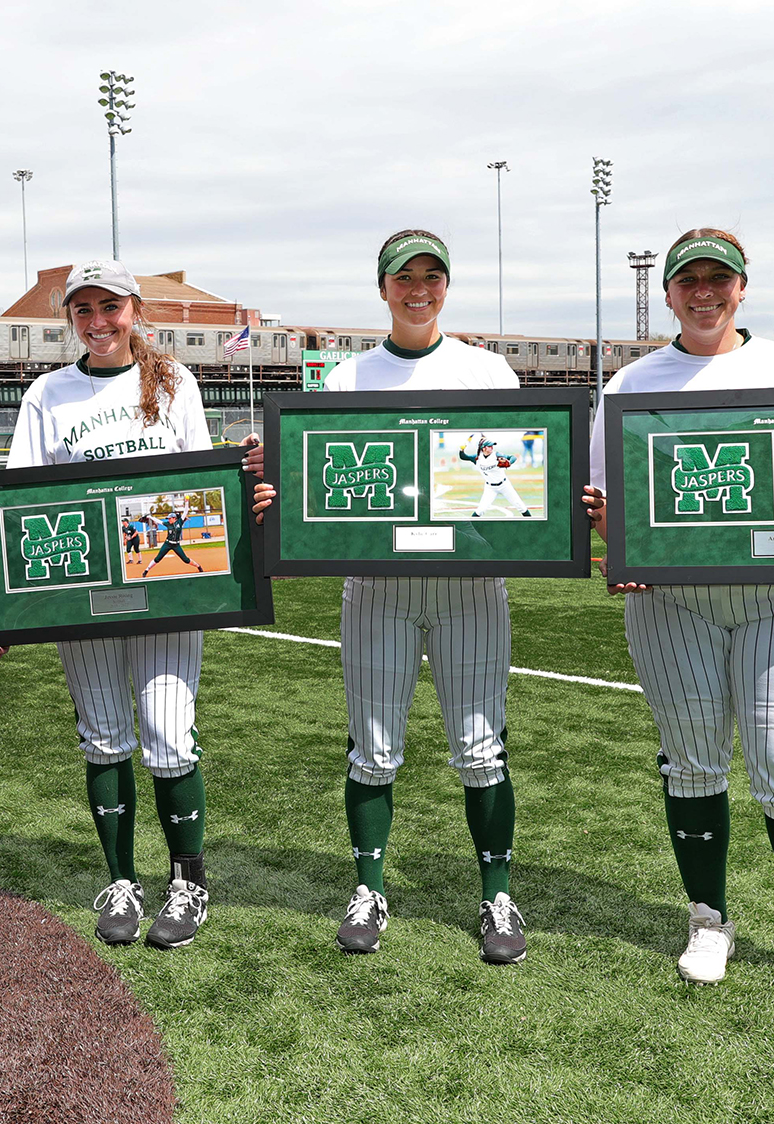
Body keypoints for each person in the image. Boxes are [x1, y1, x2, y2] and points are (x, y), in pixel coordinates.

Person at [580, 228, 774, 1006]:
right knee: (691, 761)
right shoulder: (631, 383)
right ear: (668, 292)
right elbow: (605, 508)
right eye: (689, 279)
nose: (704, 292)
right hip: (672, 601)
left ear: (742, 287)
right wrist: (620, 548)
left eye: (718, 279)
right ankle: (708, 919)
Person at [247, 230, 528, 963]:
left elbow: (523, 482)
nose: (420, 288)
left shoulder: (488, 370)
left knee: (481, 749)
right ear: (382, 287)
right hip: (377, 585)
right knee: (373, 750)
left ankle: (497, 894)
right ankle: (369, 889)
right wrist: (277, 490)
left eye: (433, 276)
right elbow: (316, 487)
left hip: (471, 584)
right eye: (405, 277)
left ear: (446, 286)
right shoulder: (345, 380)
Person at [0, 261, 218, 950]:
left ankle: (187, 883)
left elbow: (202, 488)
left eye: (109, 307)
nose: (98, 321)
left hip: (167, 584)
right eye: (83, 310)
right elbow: (19, 503)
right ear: (71, 320)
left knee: (170, 737)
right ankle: (121, 880)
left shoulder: (173, 381)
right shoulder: (48, 393)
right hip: (82, 590)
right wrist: (2, 607)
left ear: (134, 310)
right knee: (105, 737)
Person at [464, 436, 533, 518]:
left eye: (492, 445)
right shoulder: (477, 458)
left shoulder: (496, 455)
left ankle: (533, 523)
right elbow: (464, 457)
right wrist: (461, 450)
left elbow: (513, 457)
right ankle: (470, 527)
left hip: (504, 485)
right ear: (484, 448)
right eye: (489, 446)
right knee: (481, 510)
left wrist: (509, 462)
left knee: (520, 506)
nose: (492, 447)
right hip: (490, 488)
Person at [140, 508, 203, 576]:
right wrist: (150, 517)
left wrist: (187, 502)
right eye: (168, 519)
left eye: (170, 518)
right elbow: (158, 521)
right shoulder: (168, 524)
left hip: (176, 545)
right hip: (167, 544)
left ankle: (198, 566)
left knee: (185, 560)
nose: (168, 520)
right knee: (158, 558)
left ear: (174, 518)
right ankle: (146, 570)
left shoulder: (180, 522)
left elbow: (185, 511)